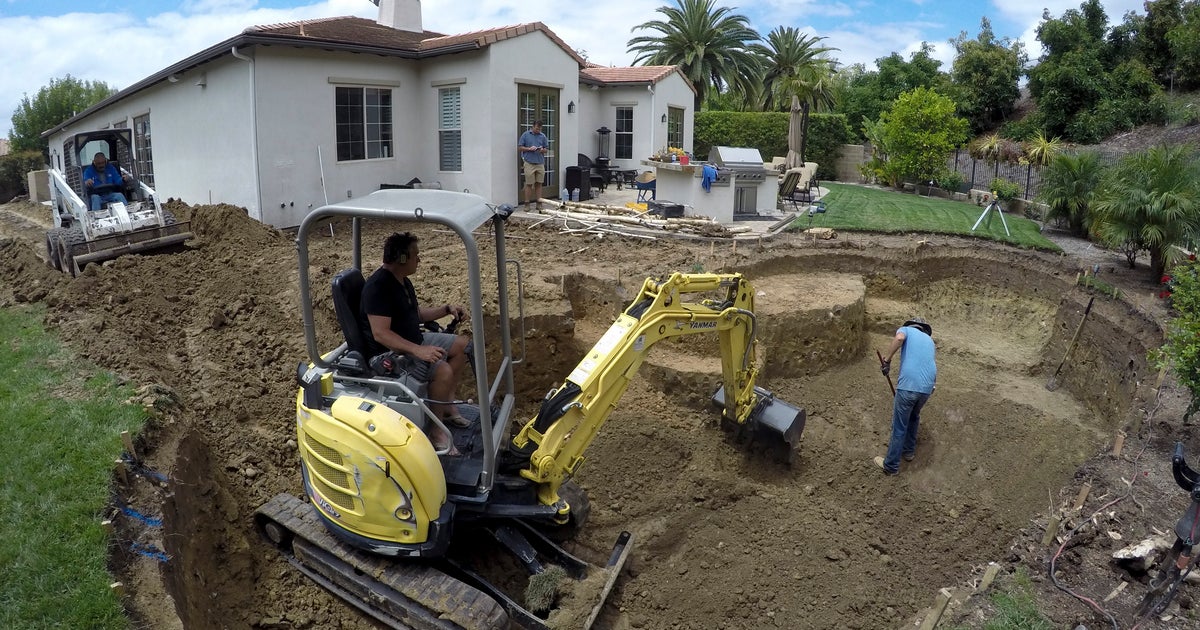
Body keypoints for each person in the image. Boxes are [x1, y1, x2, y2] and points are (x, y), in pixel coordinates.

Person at [360, 231, 472, 455]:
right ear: (402, 258)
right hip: (390, 354)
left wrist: (445, 310)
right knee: (443, 370)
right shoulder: (379, 287)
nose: (419, 259)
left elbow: (415, 315)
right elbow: (381, 334)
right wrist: (418, 351)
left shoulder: (402, 281)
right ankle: (436, 431)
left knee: (463, 345)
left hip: (414, 339)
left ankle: (447, 405)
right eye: (415, 255)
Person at [875, 317, 937, 476]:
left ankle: (891, 466)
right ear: (924, 329)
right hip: (927, 388)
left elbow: (900, 338)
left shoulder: (906, 331)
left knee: (900, 424)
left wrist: (887, 361)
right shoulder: (930, 342)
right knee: (914, 417)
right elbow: (928, 363)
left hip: (909, 386)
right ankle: (908, 452)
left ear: (911, 326)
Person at [518, 120, 549, 209]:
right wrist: (529, 149)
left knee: (539, 183)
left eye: (540, 129)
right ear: (533, 127)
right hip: (529, 162)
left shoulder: (542, 136)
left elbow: (546, 149)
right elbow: (520, 147)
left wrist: (542, 150)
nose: (538, 130)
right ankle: (527, 204)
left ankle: (539, 203)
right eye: (537, 128)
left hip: (540, 162)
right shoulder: (525, 135)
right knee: (529, 184)